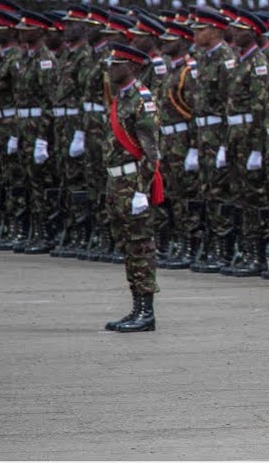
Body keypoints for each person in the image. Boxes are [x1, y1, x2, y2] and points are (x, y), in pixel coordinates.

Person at [101, 43, 164, 333]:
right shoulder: (121, 98)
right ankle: (136, 307)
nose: (111, 68)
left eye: (117, 64)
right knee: (127, 245)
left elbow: (152, 152)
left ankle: (147, 312)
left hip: (133, 183)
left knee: (141, 246)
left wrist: (142, 190)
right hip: (118, 181)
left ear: (133, 67)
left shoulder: (142, 99)